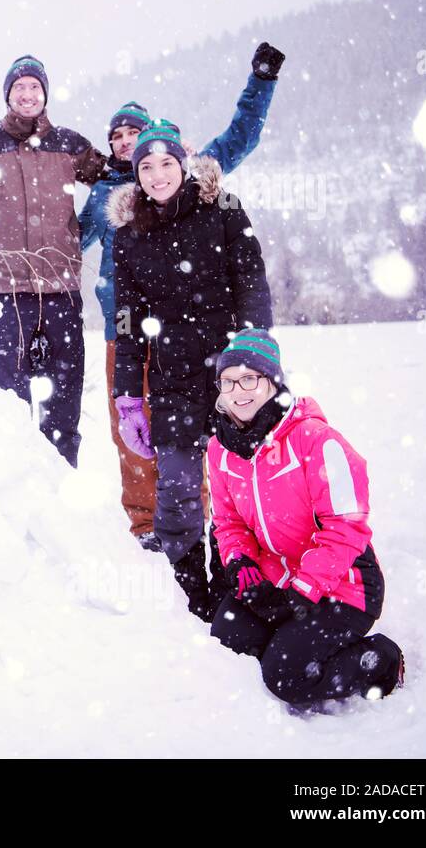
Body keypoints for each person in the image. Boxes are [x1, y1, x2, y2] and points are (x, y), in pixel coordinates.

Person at [78, 43, 284, 550]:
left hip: (206, 338)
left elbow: (240, 137)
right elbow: (65, 239)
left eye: (136, 135)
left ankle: (226, 524)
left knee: (214, 435)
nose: (127, 145)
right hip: (129, 331)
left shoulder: (209, 198)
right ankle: (150, 523)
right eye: (118, 137)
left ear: (173, 154)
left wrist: (259, 82)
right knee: (139, 435)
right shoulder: (107, 198)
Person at [107, 119, 273, 621]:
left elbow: (252, 277)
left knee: (236, 485)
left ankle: (237, 580)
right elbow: (128, 320)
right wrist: (127, 396)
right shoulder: (128, 233)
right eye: (147, 167)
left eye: (167, 163)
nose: (158, 176)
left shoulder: (220, 208)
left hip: (232, 371)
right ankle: (192, 594)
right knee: (177, 489)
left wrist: (256, 350)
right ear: (136, 175)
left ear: (182, 164)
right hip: (172, 375)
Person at [206, 331, 404, 709]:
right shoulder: (220, 450)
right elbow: (228, 522)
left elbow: (347, 527)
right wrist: (241, 562)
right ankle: (292, 641)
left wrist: (302, 592)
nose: (238, 391)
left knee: (286, 676)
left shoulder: (316, 440)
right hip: (278, 579)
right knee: (228, 636)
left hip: (344, 584)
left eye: (250, 378)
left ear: (273, 382)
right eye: (228, 380)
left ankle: (381, 661)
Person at [0, 55, 108, 467]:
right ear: (8, 94)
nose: (27, 94)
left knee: (64, 399)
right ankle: (15, 485)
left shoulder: (69, 144)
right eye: (19, 87)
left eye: (34, 88)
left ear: (45, 94)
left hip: (61, 288)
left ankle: (63, 483)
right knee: (8, 399)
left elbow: (115, 175)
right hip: (4, 290)